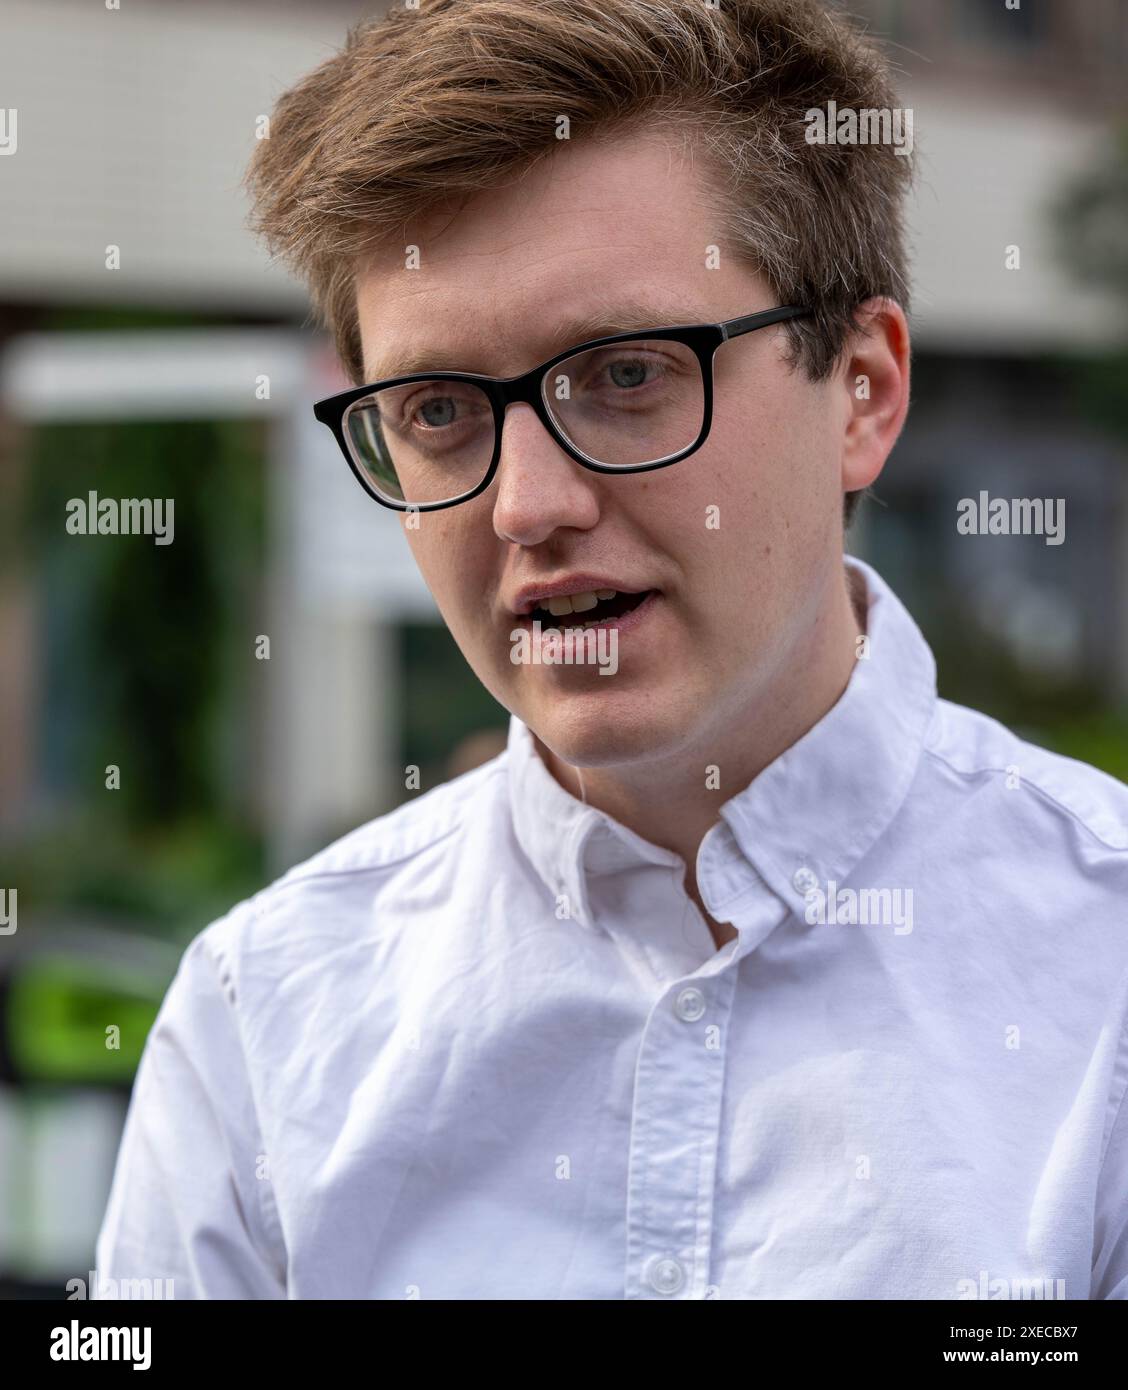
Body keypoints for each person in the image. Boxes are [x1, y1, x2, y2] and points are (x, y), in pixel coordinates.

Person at [96, 0, 1128, 1299]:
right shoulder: (263, 1026)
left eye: (629, 373)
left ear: (861, 389)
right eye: (435, 410)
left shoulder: (1102, 979)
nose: (527, 504)